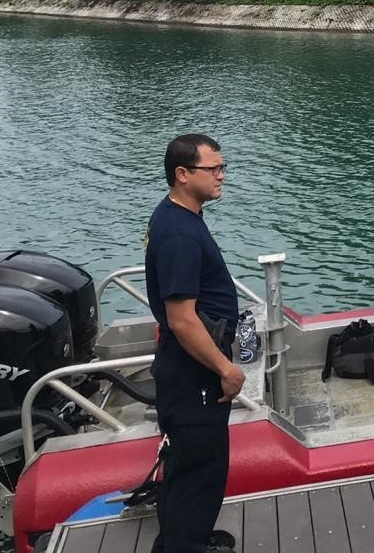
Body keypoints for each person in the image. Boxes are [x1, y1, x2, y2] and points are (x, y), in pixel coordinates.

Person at [145, 134, 244, 553]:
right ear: (183, 174)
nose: (222, 176)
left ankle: (186, 539)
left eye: (223, 167)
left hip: (185, 369)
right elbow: (182, 320)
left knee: (187, 466)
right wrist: (226, 369)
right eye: (213, 169)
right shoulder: (180, 236)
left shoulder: (177, 216)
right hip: (194, 375)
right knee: (201, 473)